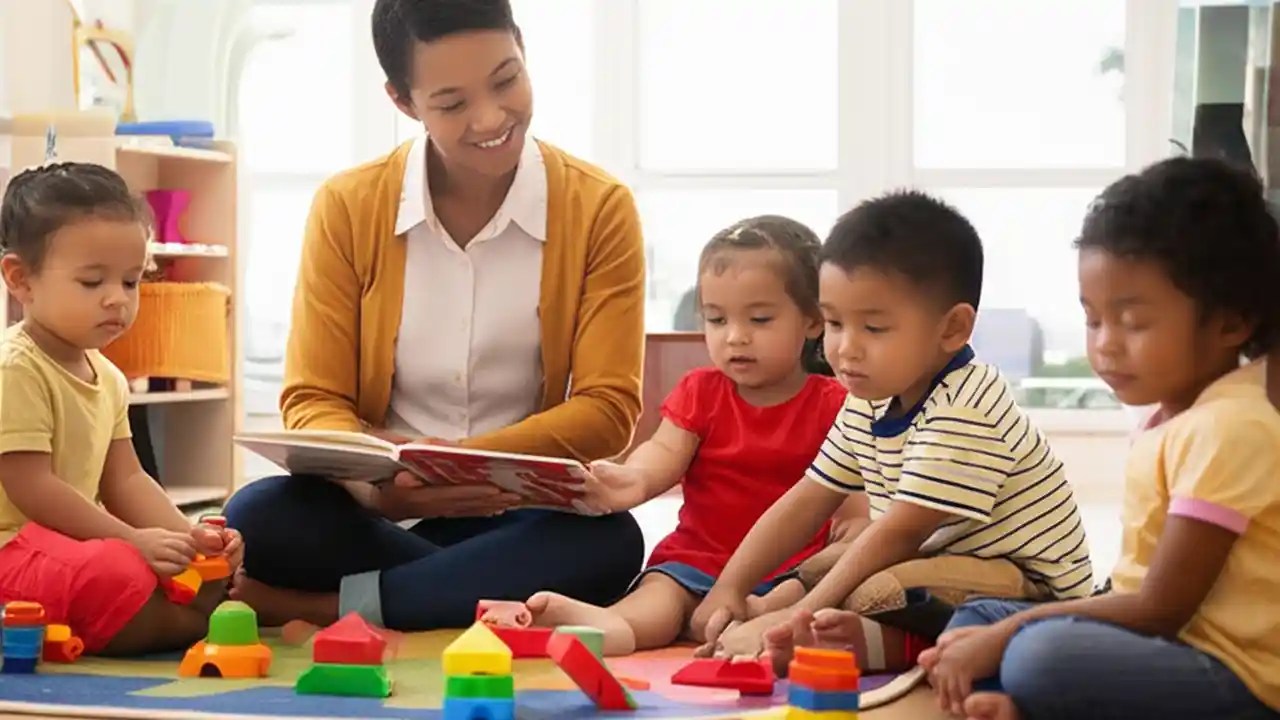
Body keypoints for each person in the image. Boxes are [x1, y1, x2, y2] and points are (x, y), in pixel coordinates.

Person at [222, 0, 646, 630]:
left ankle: (325, 607)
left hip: (521, 512)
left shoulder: (600, 208)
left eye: (506, 80)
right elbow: (314, 398)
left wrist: (459, 463)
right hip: (380, 511)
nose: (491, 117)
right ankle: (457, 591)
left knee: (613, 540)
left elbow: (609, 409)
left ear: (523, 49)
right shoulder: (348, 206)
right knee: (258, 515)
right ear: (404, 102)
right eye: (451, 103)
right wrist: (378, 486)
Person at [920, 158, 1280, 720]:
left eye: (1133, 323)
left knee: (1038, 653)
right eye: (1093, 320)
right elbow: (1132, 585)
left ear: (1231, 323)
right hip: (1165, 647)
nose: (1106, 345)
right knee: (979, 619)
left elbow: (1160, 607)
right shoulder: (1176, 417)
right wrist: (1006, 628)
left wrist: (1020, 630)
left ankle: (1029, 699)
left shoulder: (1231, 427)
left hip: (1231, 680)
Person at [693, 191, 1094, 672]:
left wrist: (801, 613)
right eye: (836, 323)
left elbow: (900, 533)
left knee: (871, 586)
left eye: (875, 328)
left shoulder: (966, 408)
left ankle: (869, 641)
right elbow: (809, 497)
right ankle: (777, 616)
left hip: (1026, 588)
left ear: (952, 328)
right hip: (935, 560)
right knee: (827, 561)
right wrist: (730, 587)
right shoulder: (872, 393)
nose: (845, 350)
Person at [520, 216, 851, 655]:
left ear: (812, 320)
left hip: (788, 568)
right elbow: (661, 454)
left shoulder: (836, 402)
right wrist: (625, 481)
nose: (735, 337)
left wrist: (853, 529)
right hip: (697, 557)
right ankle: (616, 627)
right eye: (716, 319)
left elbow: (850, 493)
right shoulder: (701, 391)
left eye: (760, 319)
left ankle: (758, 621)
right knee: (661, 596)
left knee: (804, 587)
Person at [0, 163, 242, 655]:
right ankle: (184, 619)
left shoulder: (106, 375)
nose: (117, 300)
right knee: (116, 569)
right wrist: (132, 539)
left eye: (131, 282)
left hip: (69, 545)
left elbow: (126, 480)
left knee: (200, 557)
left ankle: (177, 609)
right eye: (92, 283)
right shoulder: (14, 369)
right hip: (12, 547)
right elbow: (32, 488)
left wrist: (186, 534)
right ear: (21, 280)